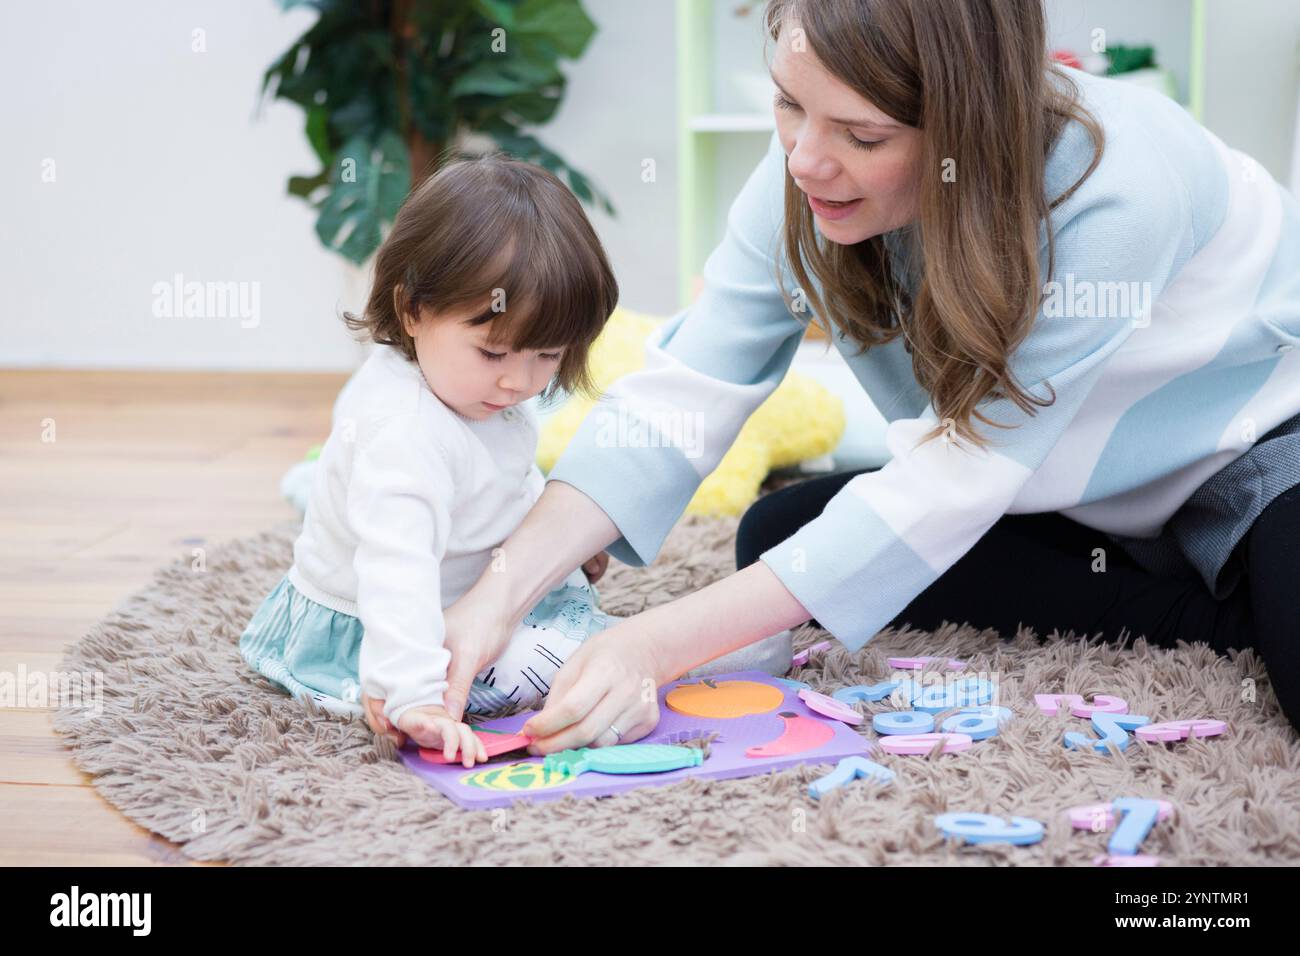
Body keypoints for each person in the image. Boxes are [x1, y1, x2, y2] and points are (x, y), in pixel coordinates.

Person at [438, 0, 1300, 750]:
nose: (805, 159)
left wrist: (653, 646)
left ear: (971, 127)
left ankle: (1232, 609)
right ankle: (1207, 608)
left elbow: (954, 479)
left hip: (1255, 456)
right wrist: (501, 590)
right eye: (787, 104)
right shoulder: (804, 179)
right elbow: (683, 388)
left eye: (862, 135)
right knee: (779, 541)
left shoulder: (1122, 187)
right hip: (1068, 490)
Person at [239, 153, 619, 766]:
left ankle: (317, 487)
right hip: (393, 630)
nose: (519, 383)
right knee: (569, 669)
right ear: (413, 310)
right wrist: (415, 693)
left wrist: (563, 545)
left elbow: (509, 473)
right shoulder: (406, 434)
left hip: (463, 589)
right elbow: (397, 570)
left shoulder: (469, 387)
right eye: (494, 353)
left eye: (547, 355)